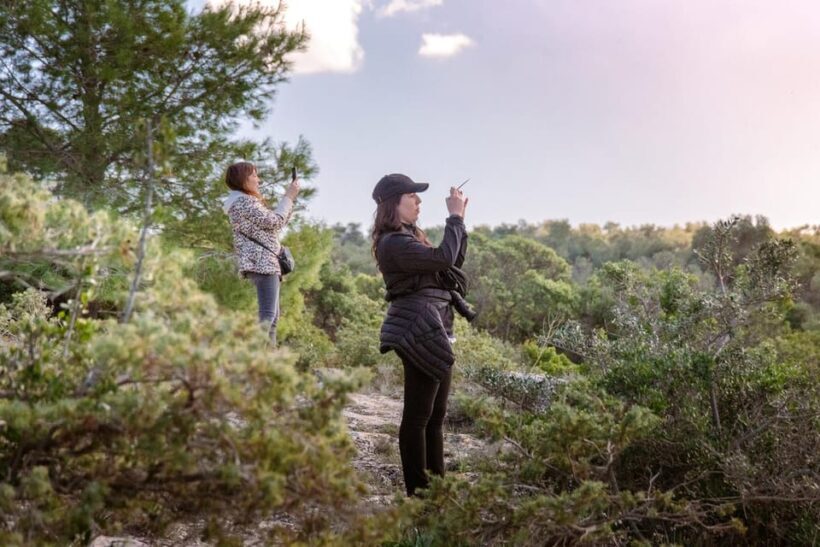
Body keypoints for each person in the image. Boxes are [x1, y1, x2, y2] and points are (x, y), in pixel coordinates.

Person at [370, 173, 473, 497]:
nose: (418, 201)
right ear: (393, 204)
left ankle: (436, 488)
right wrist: (453, 217)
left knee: (435, 416)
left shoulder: (411, 239)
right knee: (418, 416)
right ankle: (419, 493)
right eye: (412, 196)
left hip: (436, 327)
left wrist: (460, 223)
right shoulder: (395, 243)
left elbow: (450, 263)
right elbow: (443, 258)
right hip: (418, 329)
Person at [222, 161, 300, 347]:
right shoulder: (243, 202)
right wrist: (288, 197)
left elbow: (276, 223)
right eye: (255, 175)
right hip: (262, 262)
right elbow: (273, 221)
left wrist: (290, 200)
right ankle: (255, 359)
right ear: (244, 179)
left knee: (272, 318)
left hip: (264, 262)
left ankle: (268, 360)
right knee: (268, 316)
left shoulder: (242, 202)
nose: (258, 180)